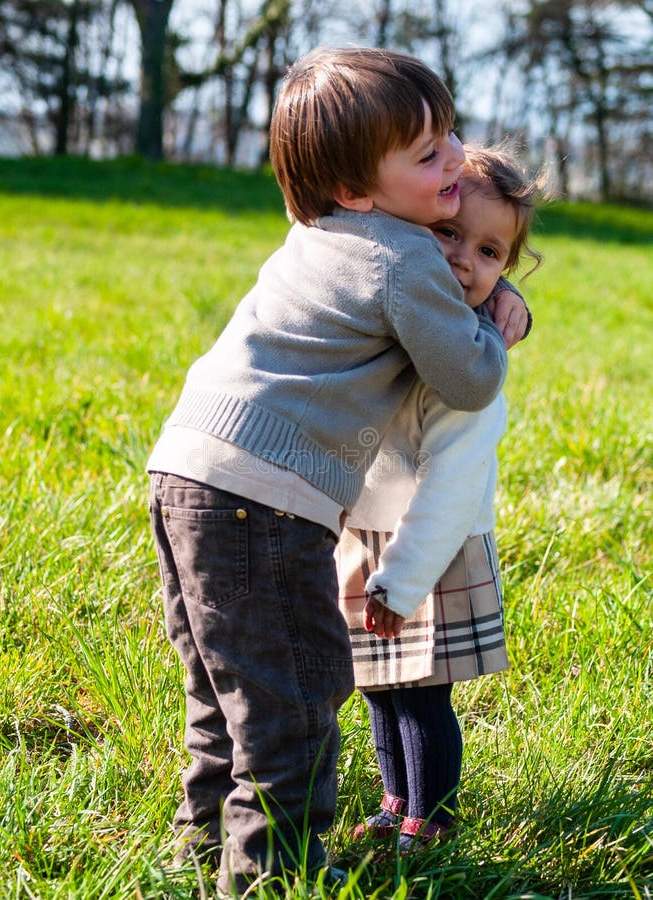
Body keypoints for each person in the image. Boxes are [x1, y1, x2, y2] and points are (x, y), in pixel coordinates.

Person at [147, 47, 517, 895]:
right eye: (426, 155)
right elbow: (466, 376)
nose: (456, 157)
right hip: (262, 498)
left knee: (225, 686)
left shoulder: (316, 234)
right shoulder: (404, 257)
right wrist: (500, 320)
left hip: (183, 469)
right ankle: (275, 876)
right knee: (297, 699)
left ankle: (198, 846)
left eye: (449, 133)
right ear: (356, 188)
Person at [337, 143, 547, 853]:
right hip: (366, 534)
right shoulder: (391, 318)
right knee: (378, 684)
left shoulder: (468, 368)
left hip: (431, 547)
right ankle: (395, 798)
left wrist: (401, 580)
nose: (464, 261)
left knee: (421, 692)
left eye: (490, 253)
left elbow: (450, 487)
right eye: (449, 233)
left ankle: (432, 816)